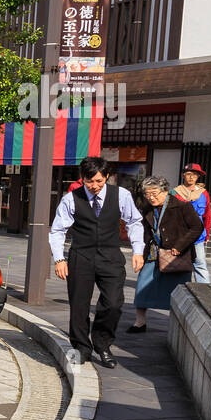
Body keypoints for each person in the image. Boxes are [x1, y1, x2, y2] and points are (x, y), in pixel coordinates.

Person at [49, 155, 145, 368]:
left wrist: (138, 251)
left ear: (107, 177)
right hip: (80, 256)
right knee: (79, 305)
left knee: (113, 303)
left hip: (110, 256)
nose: (94, 186)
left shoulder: (121, 195)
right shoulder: (70, 199)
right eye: (89, 181)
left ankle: (102, 345)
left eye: (99, 181)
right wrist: (59, 259)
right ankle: (81, 348)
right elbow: (57, 231)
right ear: (82, 178)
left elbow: (135, 222)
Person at [128, 175, 203, 334]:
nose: (151, 197)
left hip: (175, 256)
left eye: (154, 193)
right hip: (153, 253)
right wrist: (139, 254)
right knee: (142, 285)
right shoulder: (147, 208)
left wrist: (180, 246)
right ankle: (140, 322)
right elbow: (143, 232)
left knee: (177, 291)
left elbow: (197, 227)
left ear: (165, 191)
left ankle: (177, 325)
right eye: (147, 194)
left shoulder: (182, 206)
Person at [173, 163, 211, 284]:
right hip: (180, 235)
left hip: (198, 235)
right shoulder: (175, 193)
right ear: (183, 175)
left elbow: (207, 215)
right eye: (188, 174)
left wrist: (207, 234)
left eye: (195, 174)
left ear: (198, 177)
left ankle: (205, 291)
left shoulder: (204, 193)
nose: (191, 177)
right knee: (179, 264)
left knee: (200, 264)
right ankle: (179, 287)